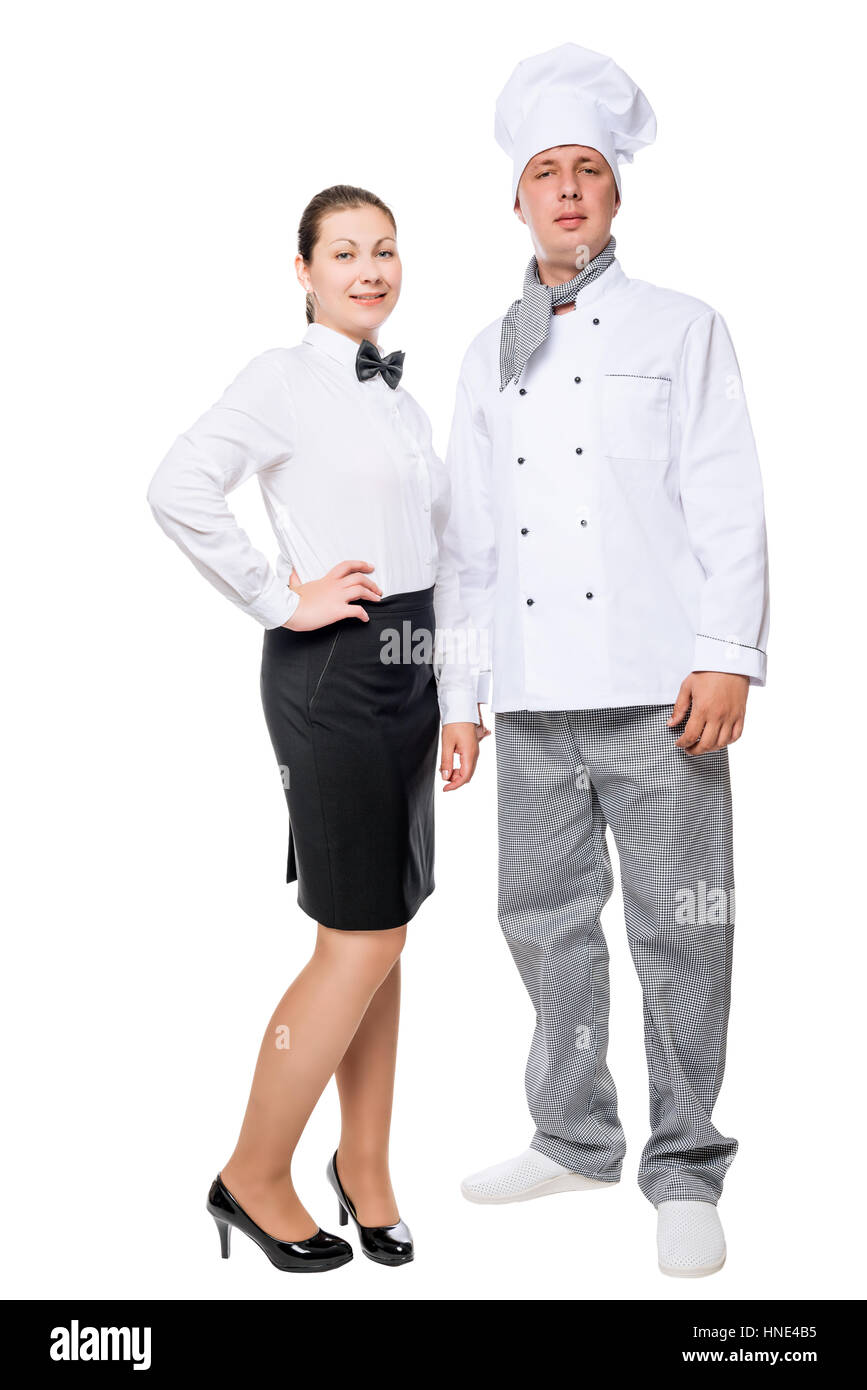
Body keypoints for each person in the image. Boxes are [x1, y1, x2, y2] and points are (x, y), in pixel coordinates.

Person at [443, 43, 770, 1278]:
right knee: (541, 920)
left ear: (617, 195)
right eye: (546, 172)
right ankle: (574, 1133)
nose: (568, 190)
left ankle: (684, 1164)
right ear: (517, 200)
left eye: (589, 170)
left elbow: (727, 501)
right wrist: (462, 698)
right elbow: (469, 542)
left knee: (684, 925)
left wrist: (727, 654)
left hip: (659, 688)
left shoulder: (685, 328)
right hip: (529, 698)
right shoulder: (487, 353)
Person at [146, 184, 481, 1273]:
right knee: (360, 934)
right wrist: (273, 594)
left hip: (413, 664)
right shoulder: (279, 379)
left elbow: (453, 561)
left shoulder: (401, 399)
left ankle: (367, 1166)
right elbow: (178, 484)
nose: (370, 268)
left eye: (385, 250)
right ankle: (250, 1172)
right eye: (345, 252)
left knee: (387, 925)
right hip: (331, 667)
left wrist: (461, 699)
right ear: (304, 269)